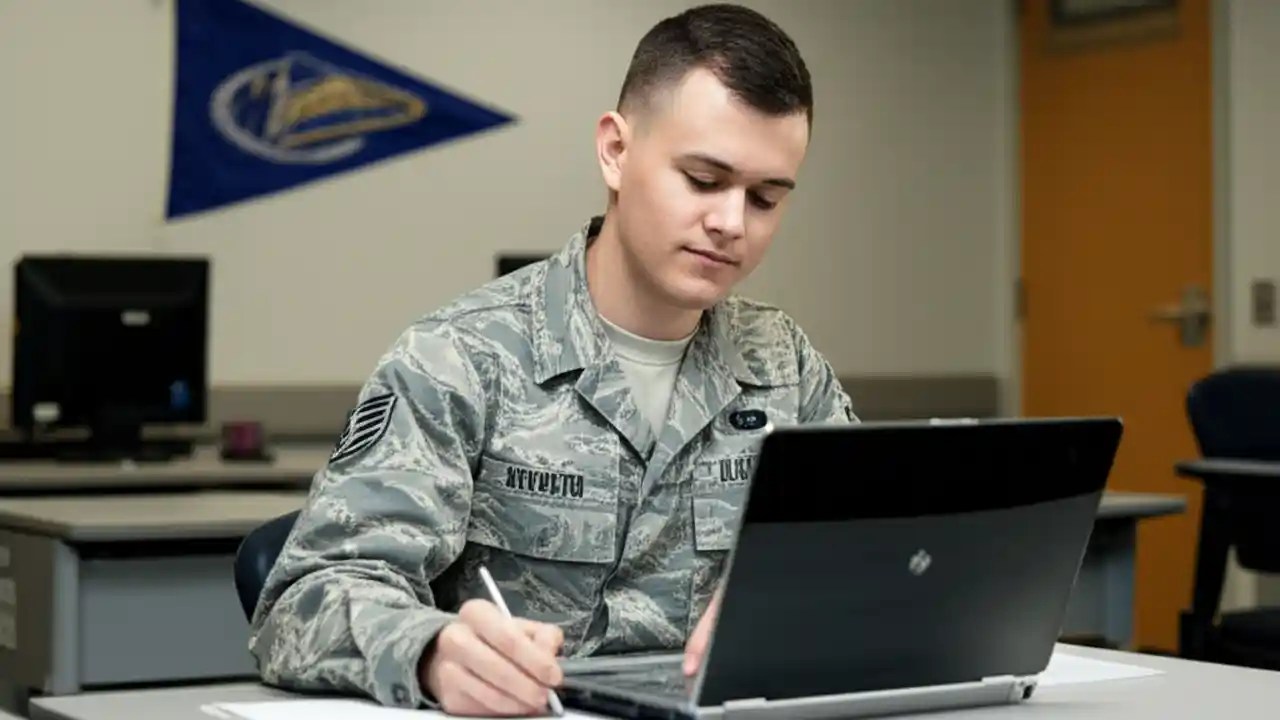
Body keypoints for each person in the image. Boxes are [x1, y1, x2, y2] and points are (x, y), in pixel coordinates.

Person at [249, 3, 857, 716]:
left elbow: (886, 558)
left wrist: (809, 603)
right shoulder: (461, 358)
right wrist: (432, 652)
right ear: (615, 151)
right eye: (701, 179)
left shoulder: (786, 367)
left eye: (765, 198)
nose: (730, 223)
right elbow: (304, 599)